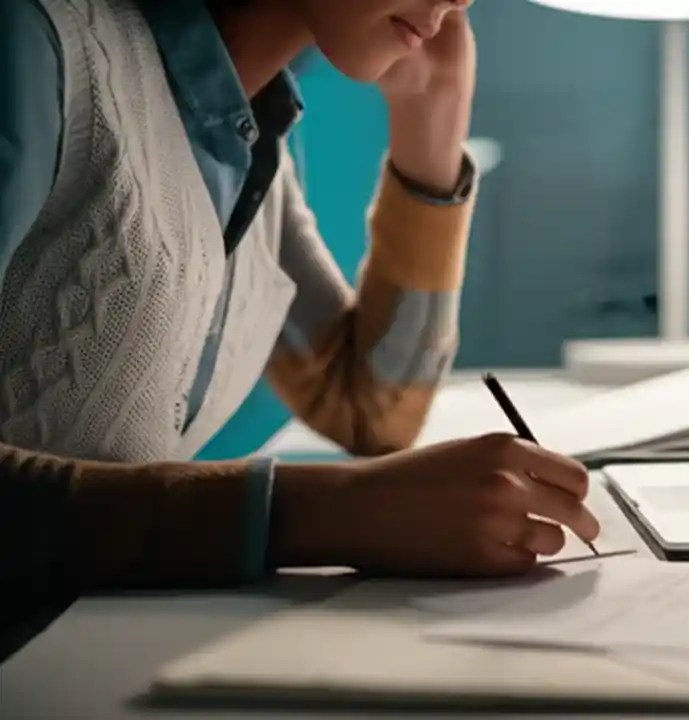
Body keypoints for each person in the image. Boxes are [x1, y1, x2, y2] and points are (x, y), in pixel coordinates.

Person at [0, 0, 600, 606]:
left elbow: (371, 413)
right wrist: (334, 511)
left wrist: (434, 117)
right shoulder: (34, 49)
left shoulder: (251, 143)